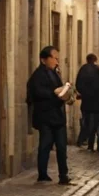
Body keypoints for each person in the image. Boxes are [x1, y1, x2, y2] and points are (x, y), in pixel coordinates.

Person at [26, 46, 72, 185]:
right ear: (43, 60)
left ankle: (63, 175)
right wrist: (54, 93)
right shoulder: (37, 76)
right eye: (54, 58)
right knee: (45, 145)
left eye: (57, 59)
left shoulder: (55, 73)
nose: (57, 61)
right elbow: (37, 93)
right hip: (45, 117)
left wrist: (65, 94)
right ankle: (42, 174)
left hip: (58, 117)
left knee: (61, 147)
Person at [75, 53, 99, 150]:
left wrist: (84, 93)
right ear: (95, 60)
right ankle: (97, 145)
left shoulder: (83, 69)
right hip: (98, 102)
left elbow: (78, 84)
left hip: (86, 101)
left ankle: (89, 144)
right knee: (97, 123)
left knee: (87, 122)